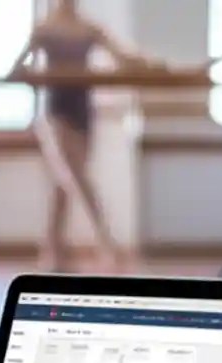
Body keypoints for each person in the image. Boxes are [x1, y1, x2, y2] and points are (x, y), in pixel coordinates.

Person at [10, 0, 150, 274]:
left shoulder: (88, 29)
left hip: (83, 113)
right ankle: (108, 245)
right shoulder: (44, 29)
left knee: (64, 185)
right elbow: (17, 68)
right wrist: (31, 74)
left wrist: (148, 65)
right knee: (77, 178)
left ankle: (53, 254)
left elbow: (122, 58)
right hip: (56, 114)